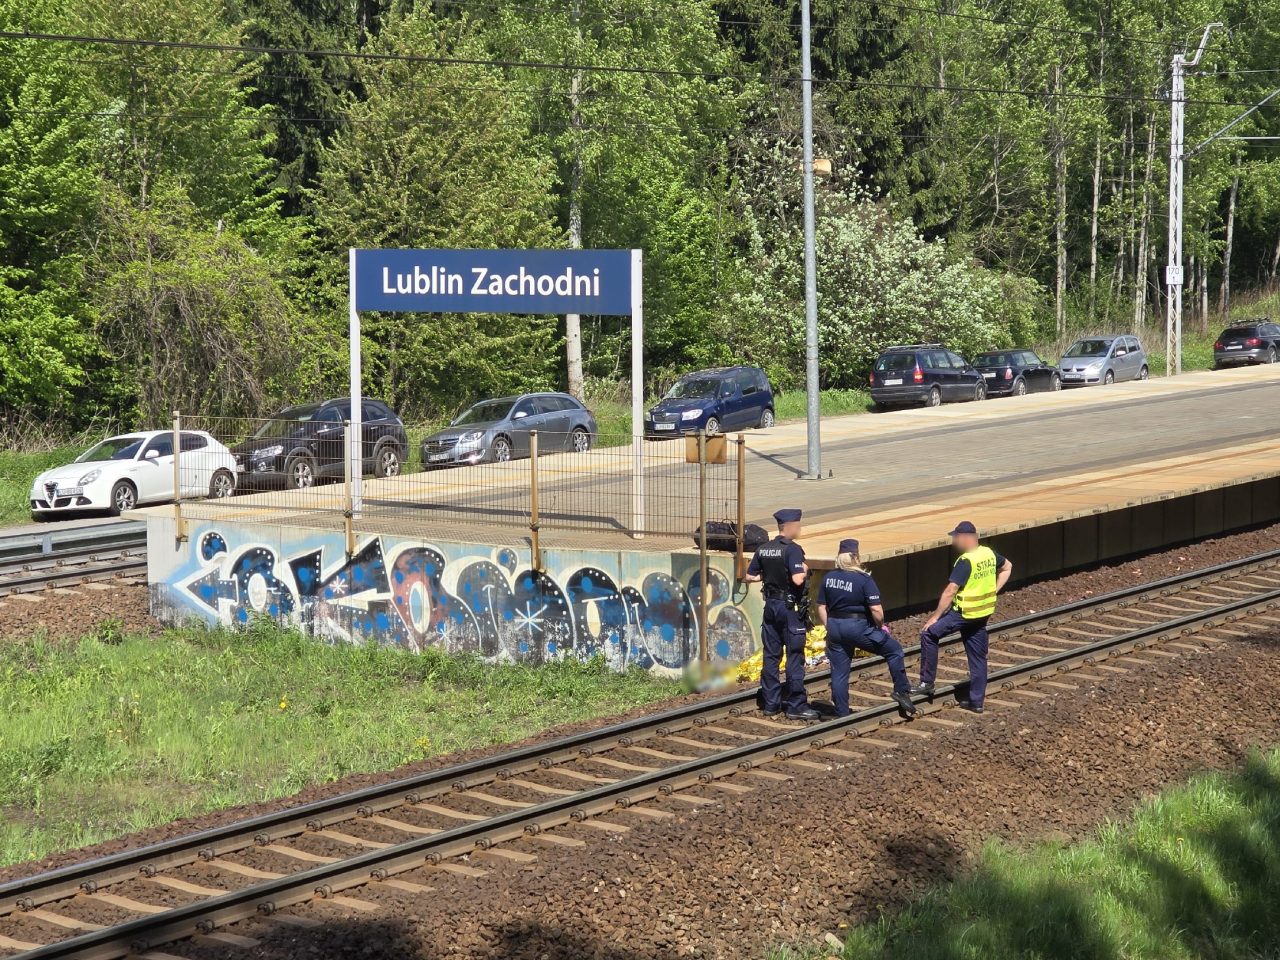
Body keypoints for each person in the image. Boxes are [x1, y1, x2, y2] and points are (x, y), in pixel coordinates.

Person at [913, 521, 1013, 713]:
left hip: (964, 613)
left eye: (955, 538)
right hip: (982, 613)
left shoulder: (966, 561)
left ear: (965, 538)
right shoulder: (988, 554)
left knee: (929, 634)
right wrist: (993, 591)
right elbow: (1008, 567)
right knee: (978, 658)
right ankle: (976, 702)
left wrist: (935, 617)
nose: (953, 542)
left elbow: (950, 591)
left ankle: (926, 683)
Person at [817, 538, 915, 718]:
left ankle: (841, 712)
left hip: (835, 627)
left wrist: (829, 626)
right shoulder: (864, 579)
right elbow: (876, 609)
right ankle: (901, 690)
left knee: (839, 672)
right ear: (856, 557)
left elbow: (821, 607)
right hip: (858, 627)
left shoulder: (828, 578)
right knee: (894, 651)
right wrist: (880, 626)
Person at [744, 508, 819, 720]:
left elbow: (750, 577)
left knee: (771, 655)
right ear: (791, 526)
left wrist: (770, 577)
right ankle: (796, 706)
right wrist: (805, 569)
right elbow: (797, 580)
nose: (800, 529)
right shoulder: (793, 549)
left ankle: (771, 703)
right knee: (794, 657)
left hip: (771, 607)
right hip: (789, 609)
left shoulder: (764, 548)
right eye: (799, 525)